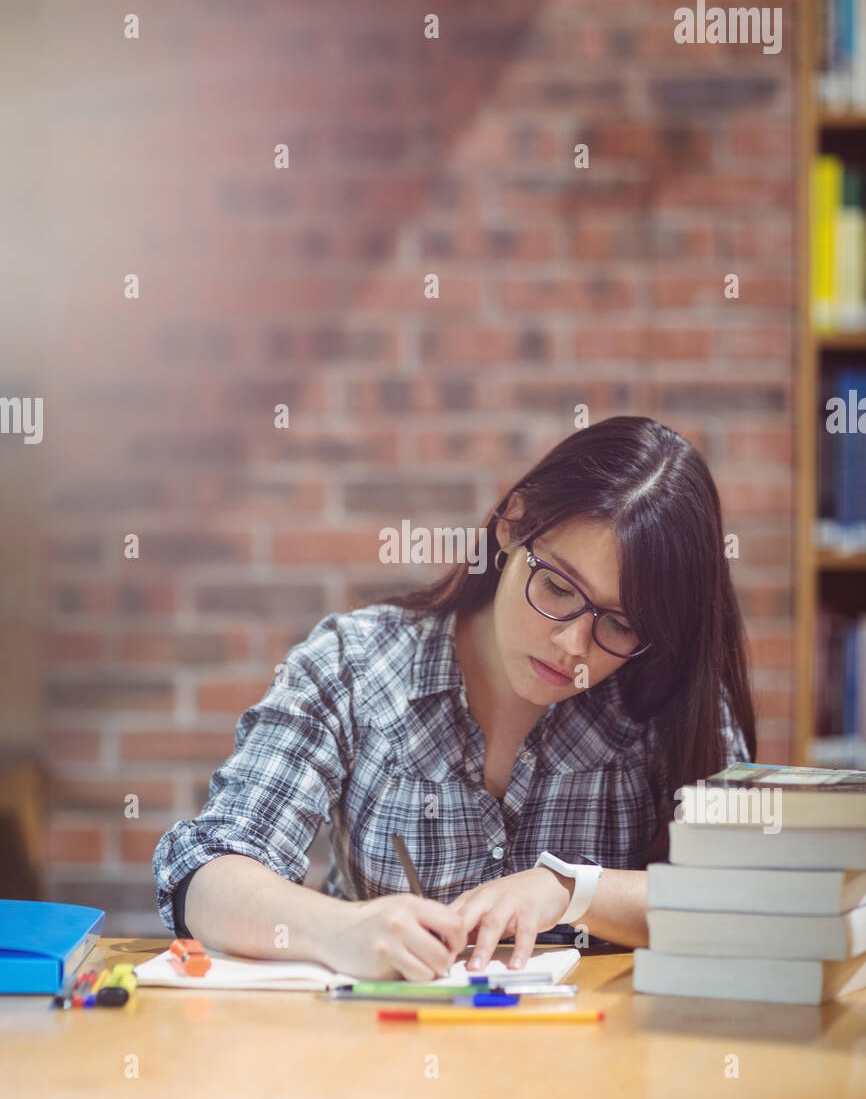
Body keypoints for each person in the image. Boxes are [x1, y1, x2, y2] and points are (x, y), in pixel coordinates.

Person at [152, 415, 755, 980]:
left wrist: (571, 892)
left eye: (619, 625)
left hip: (598, 1072)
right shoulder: (357, 665)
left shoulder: (666, 698)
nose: (573, 644)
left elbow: (744, 901)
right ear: (512, 523)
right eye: (556, 586)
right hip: (380, 1064)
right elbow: (207, 871)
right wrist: (342, 929)